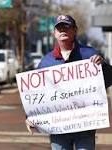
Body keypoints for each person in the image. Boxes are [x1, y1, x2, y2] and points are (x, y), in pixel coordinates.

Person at [25, 14, 112, 150]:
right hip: (58, 129)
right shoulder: (46, 62)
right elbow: (37, 94)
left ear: (75, 30)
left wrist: (103, 66)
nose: (63, 30)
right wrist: (30, 116)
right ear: (54, 33)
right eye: (59, 28)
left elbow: (107, 81)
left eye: (67, 27)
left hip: (85, 126)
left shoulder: (89, 55)